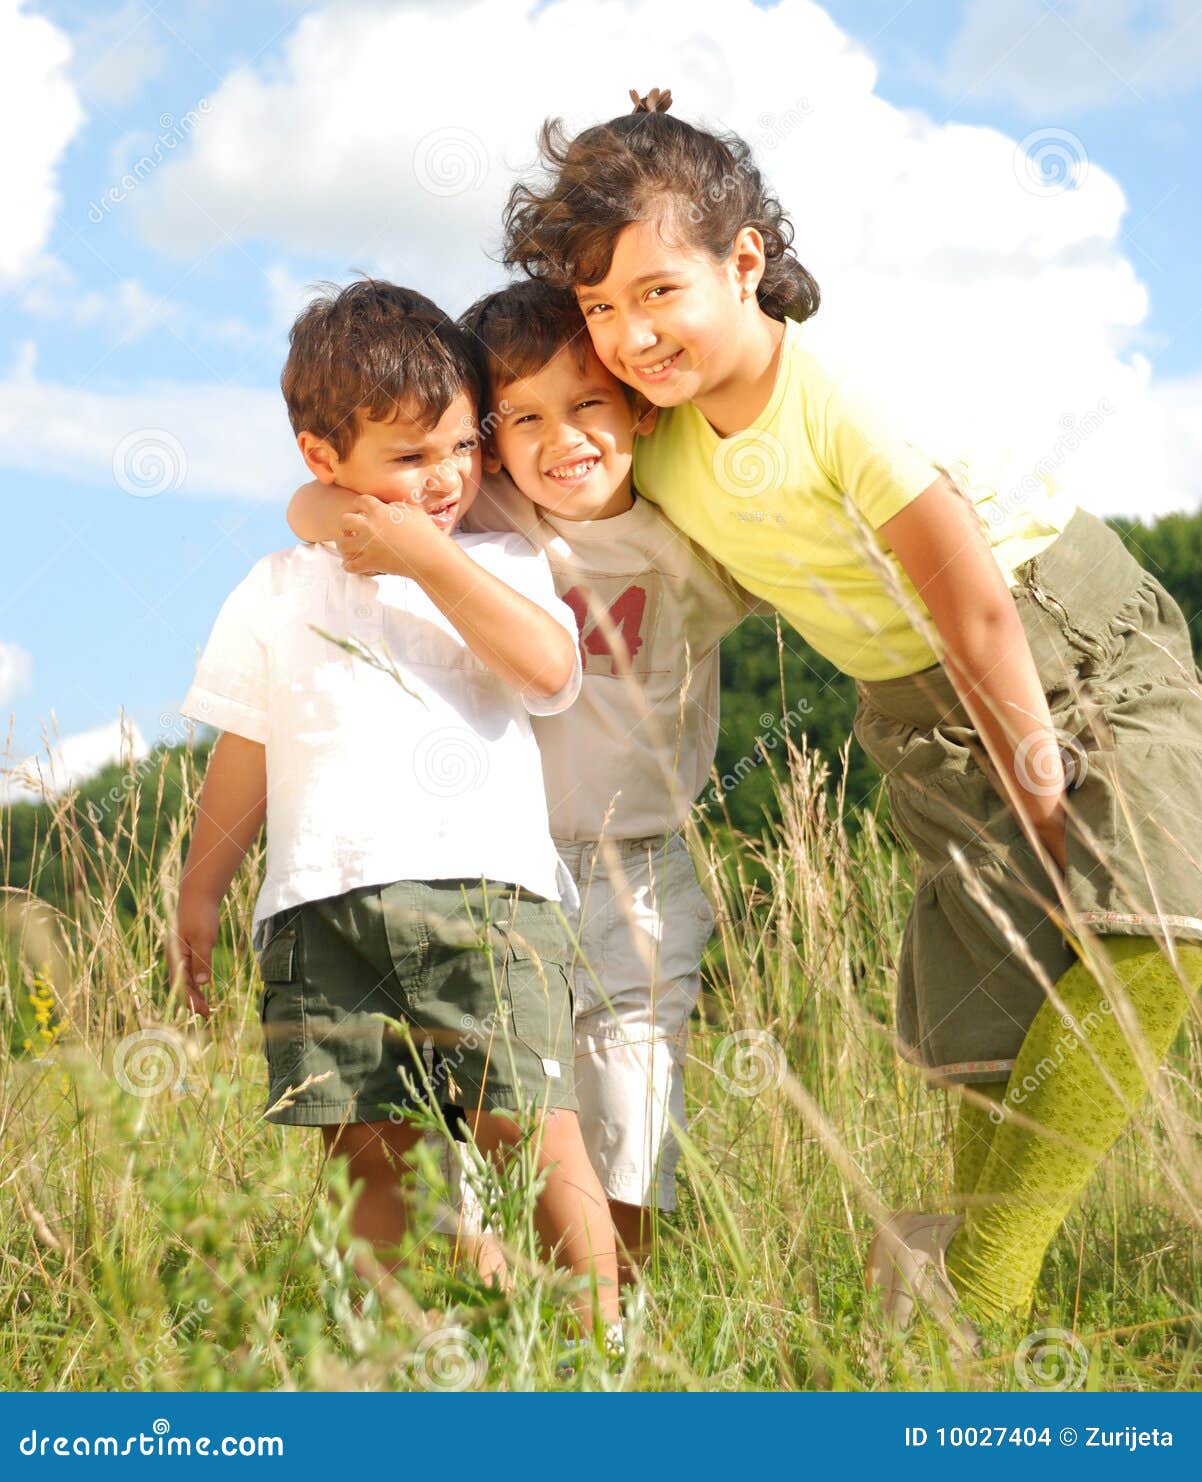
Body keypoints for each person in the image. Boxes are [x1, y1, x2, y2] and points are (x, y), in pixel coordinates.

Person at [497, 87, 1202, 1336]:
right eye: (602, 308)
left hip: (1056, 645)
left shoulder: (835, 395)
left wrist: (1037, 781)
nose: (630, 335)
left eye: (658, 291)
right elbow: (523, 437)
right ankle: (936, 1286)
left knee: (1158, 928)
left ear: (744, 261)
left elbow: (976, 606)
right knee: (1007, 1014)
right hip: (915, 712)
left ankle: (974, 1286)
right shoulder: (650, 439)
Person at [169, 279, 621, 1343]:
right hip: (319, 908)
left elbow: (550, 670)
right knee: (367, 1160)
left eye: (462, 448)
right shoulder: (278, 584)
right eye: (408, 459)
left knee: (537, 1133)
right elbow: (246, 744)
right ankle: (406, 1363)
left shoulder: (500, 557)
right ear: (323, 460)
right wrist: (202, 890)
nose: (447, 479)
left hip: (485, 899)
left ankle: (606, 1349)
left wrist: (426, 554)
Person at [287, 276, 759, 1276]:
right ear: (489, 442)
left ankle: (610, 1324)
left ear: (635, 407)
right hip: (495, 873)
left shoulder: (689, 544)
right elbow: (318, 501)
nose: (563, 439)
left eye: (587, 403)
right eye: (525, 418)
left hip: (637, 873)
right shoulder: (491, 516)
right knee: (490, 1114)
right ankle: (499, 1307)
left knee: (629, 1111)